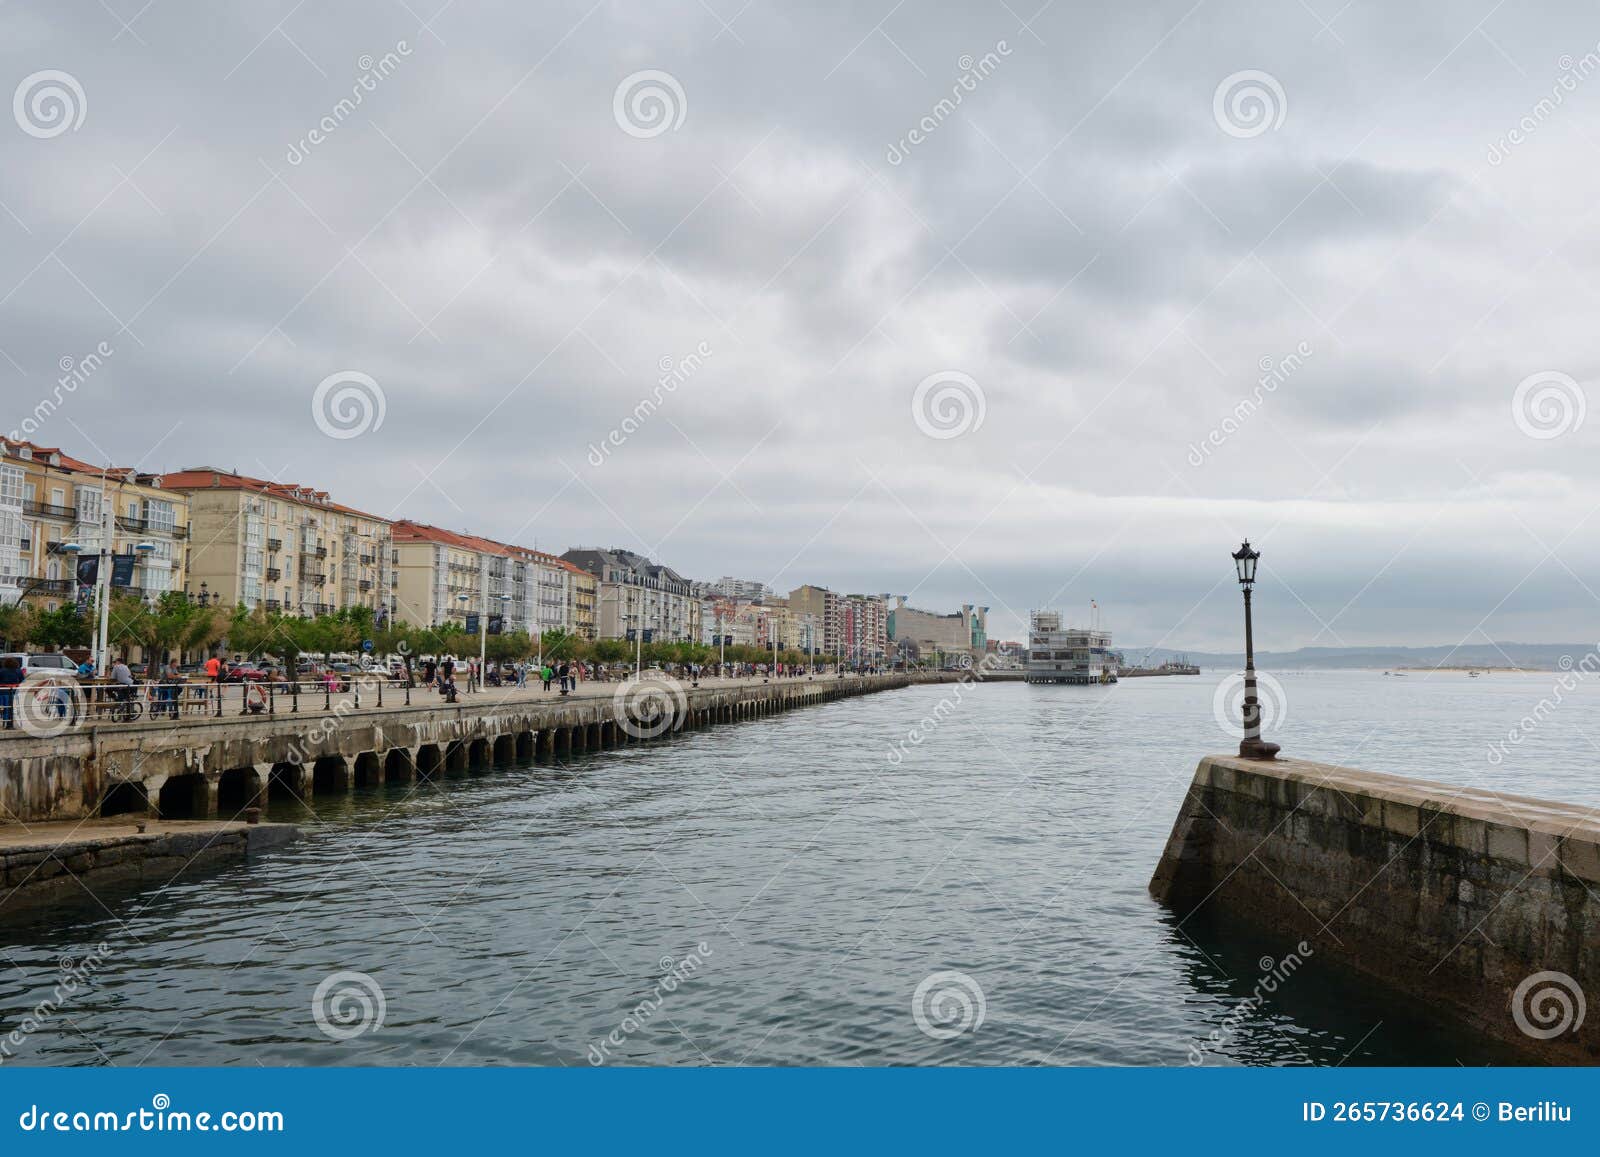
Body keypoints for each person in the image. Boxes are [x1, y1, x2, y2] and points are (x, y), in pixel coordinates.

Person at [0, 655, 21, 729]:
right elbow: (22, 681)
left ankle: (3, 719)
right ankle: (9, 724)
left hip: (1, 692)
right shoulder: (18, 671)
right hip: (13, 693)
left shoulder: (1, 671)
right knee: (10, 708)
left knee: (3, 707)